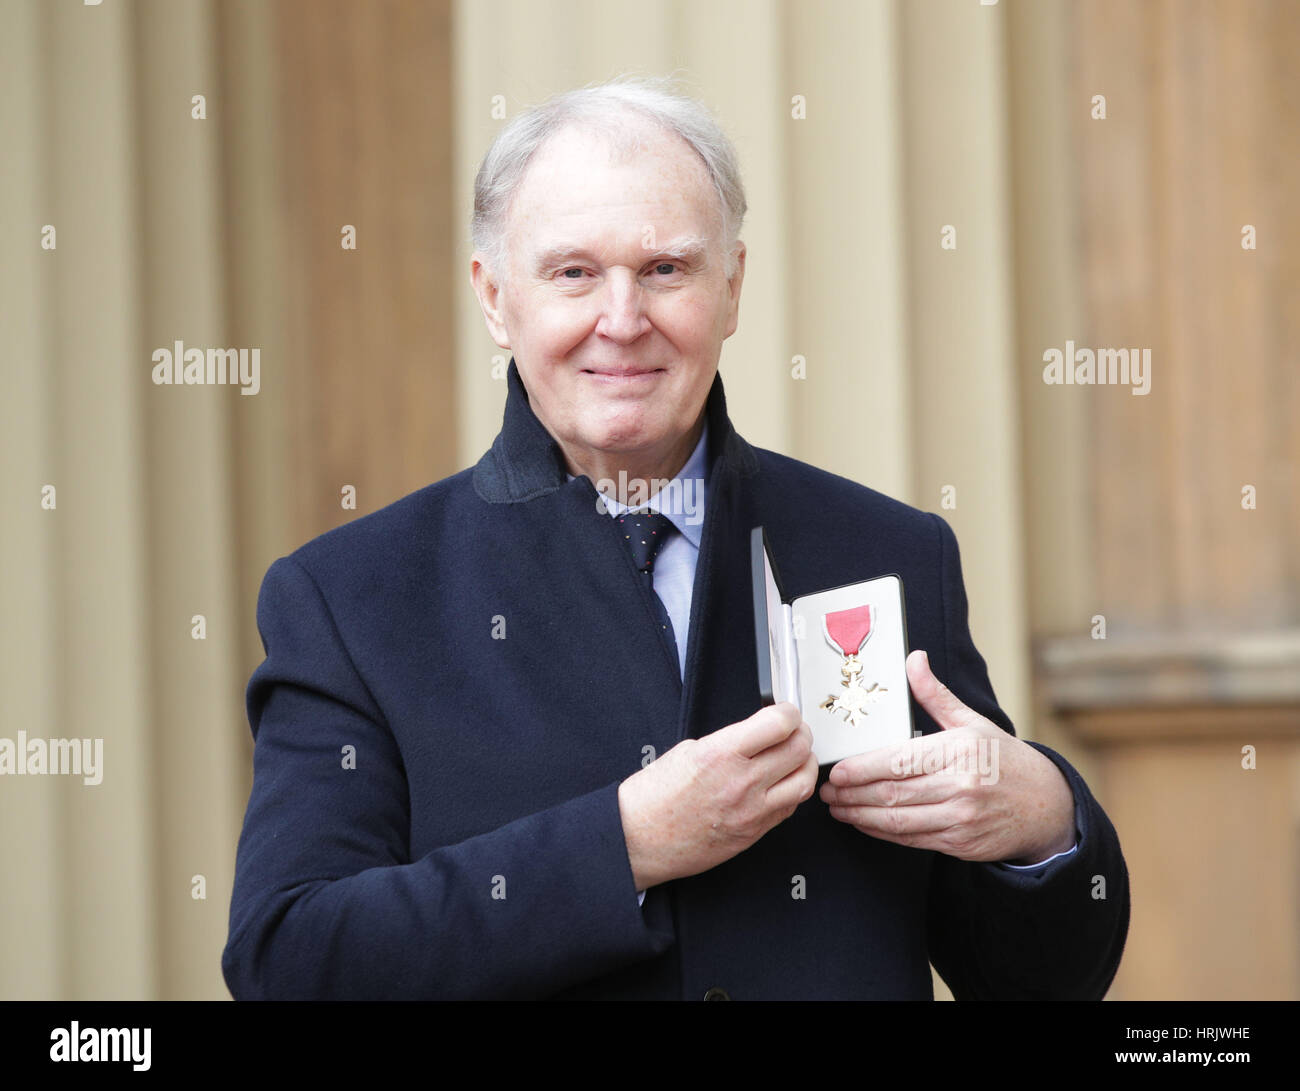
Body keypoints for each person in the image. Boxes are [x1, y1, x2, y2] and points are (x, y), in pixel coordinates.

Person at [221, 76, 1129, 1000]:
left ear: (731, 289)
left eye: (666, 269)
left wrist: (1043, 823)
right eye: (573, 272)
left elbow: (1039, 980)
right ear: (495, 298)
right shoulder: (351, 599)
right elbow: (289, 960)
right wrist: (623, 847)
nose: (623, 319)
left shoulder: (888, 551)